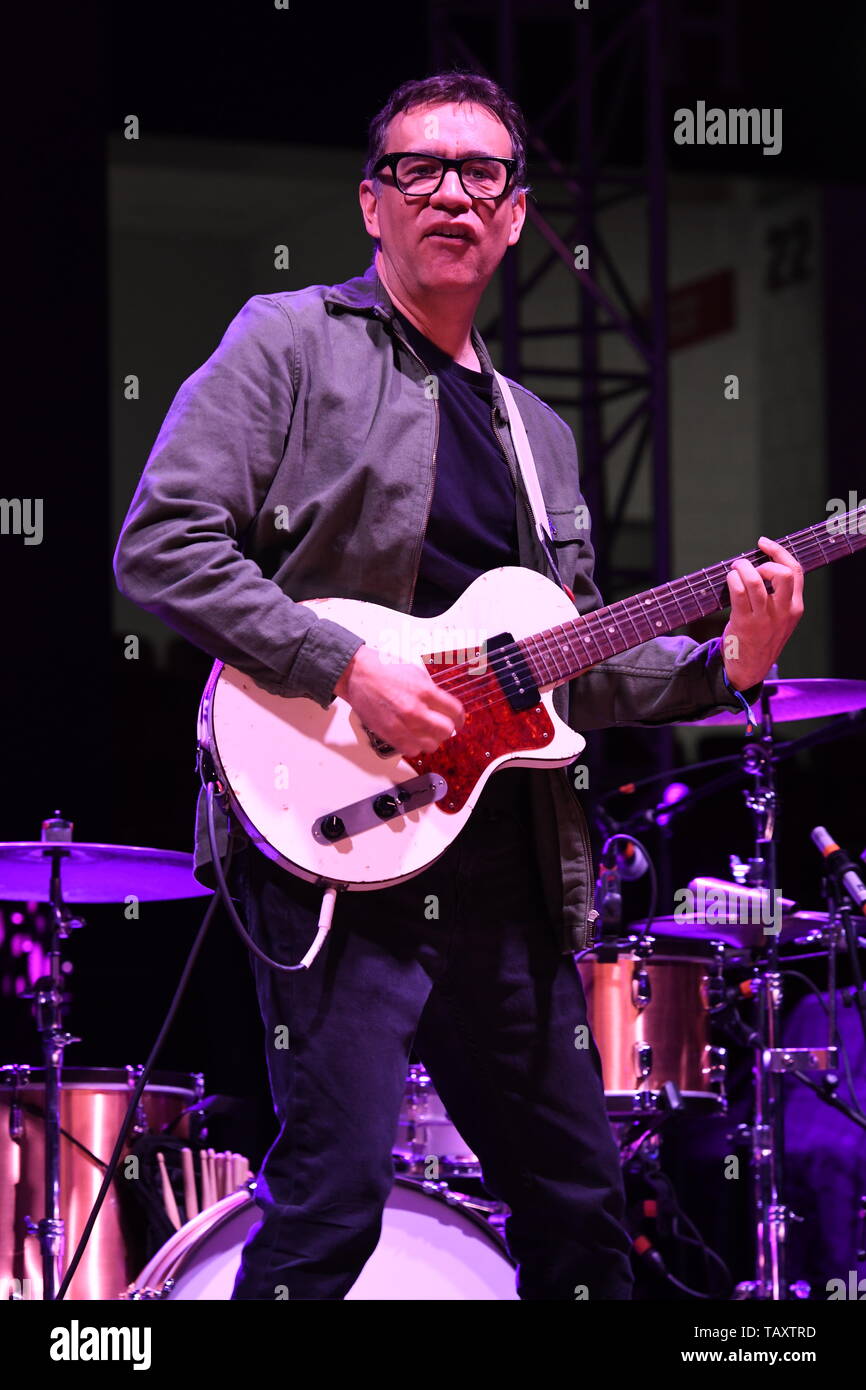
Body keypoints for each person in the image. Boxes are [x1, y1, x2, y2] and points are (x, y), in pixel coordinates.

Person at [113, 71, 805, 1300]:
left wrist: (721, 666)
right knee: (331, 1200)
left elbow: (571, 661)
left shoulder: (537, 433)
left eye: (480, 172)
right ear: (371, 204)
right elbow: (162, 545)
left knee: (581, 1215)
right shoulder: (288, 342)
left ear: (516, 212)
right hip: (332, 838)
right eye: (417, 168)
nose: (450, 191)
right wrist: (349, 667)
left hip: (506, 864)